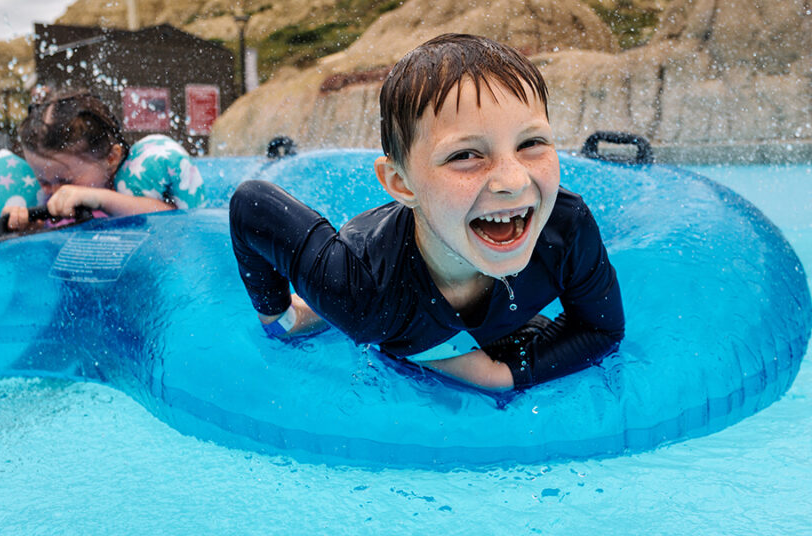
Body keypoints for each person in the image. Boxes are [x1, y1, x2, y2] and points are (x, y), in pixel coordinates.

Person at [229, 33, 624, 391]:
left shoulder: (565, 228)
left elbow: (600, 329)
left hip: (440, 231)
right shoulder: (361, 290)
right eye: (465, 154)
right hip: (385, 263)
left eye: (531, 142)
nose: (514, 180)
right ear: (400, 183)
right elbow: (252, 205)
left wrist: (503, 375)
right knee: (307, 320)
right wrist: (280, 316)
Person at [0, 90, 205, 230]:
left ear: (111, 157)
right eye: (43, 181)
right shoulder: (49, 206)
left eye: (65, 180)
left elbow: (173, 219)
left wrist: (100, 199)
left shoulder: (134, 193)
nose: (55, 192)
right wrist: (26, 228)